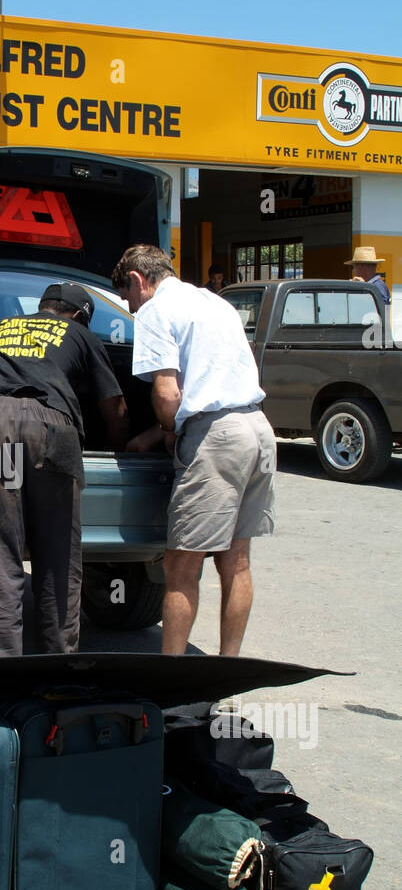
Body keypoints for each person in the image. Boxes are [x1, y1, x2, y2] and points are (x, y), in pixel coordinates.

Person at [111, 245, 276, 657]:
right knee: (236, 561)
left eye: (128, 300)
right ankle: (228, 671)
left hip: (216, 439)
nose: (131, 310)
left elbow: (167, 394)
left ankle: (172, 679)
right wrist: (160, 432)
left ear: (137, 280)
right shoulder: (213, 302)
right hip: (256, 429)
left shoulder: (155, 311)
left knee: (182, 567)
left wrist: (166, 429)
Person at [0, 281, 128, 657]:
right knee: (58, 558)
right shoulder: (80, 335)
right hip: (53, 430)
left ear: (43, 305)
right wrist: (121, 447)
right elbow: (113, 405)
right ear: (81, 315)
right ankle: (57, 671)